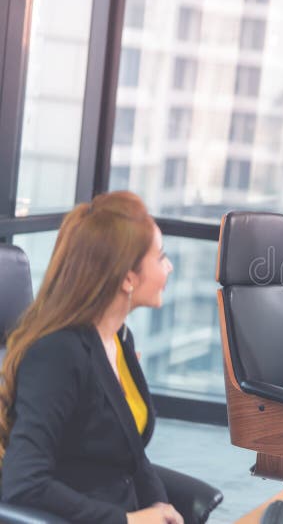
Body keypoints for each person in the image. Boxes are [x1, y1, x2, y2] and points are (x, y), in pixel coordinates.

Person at [0, 191, 182, 524]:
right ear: (128, 278)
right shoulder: (57, 354)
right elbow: (23, 483)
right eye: (161, 257)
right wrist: (129, 521)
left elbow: (134, 453)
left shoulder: (119, 339)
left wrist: (159, 506)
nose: (169, 266)